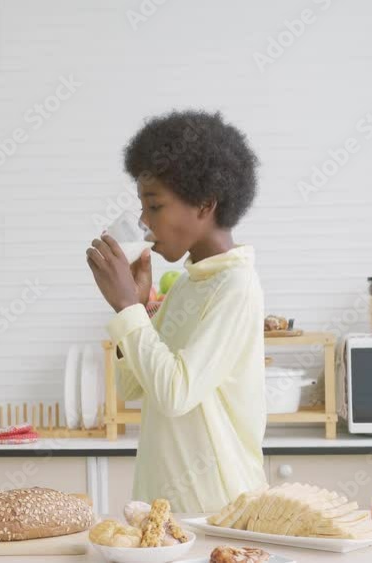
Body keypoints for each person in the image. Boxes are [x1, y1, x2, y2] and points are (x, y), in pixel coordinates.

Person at [86, 110, 266, 513]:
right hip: (166, 508)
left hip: (218, 510)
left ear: (204, 205)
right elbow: (134, 387)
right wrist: (141, 307)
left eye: (154, 206)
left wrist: (128, 307)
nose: (144, 222)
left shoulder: (236, 285)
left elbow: (175, 394)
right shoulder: (189, 282)